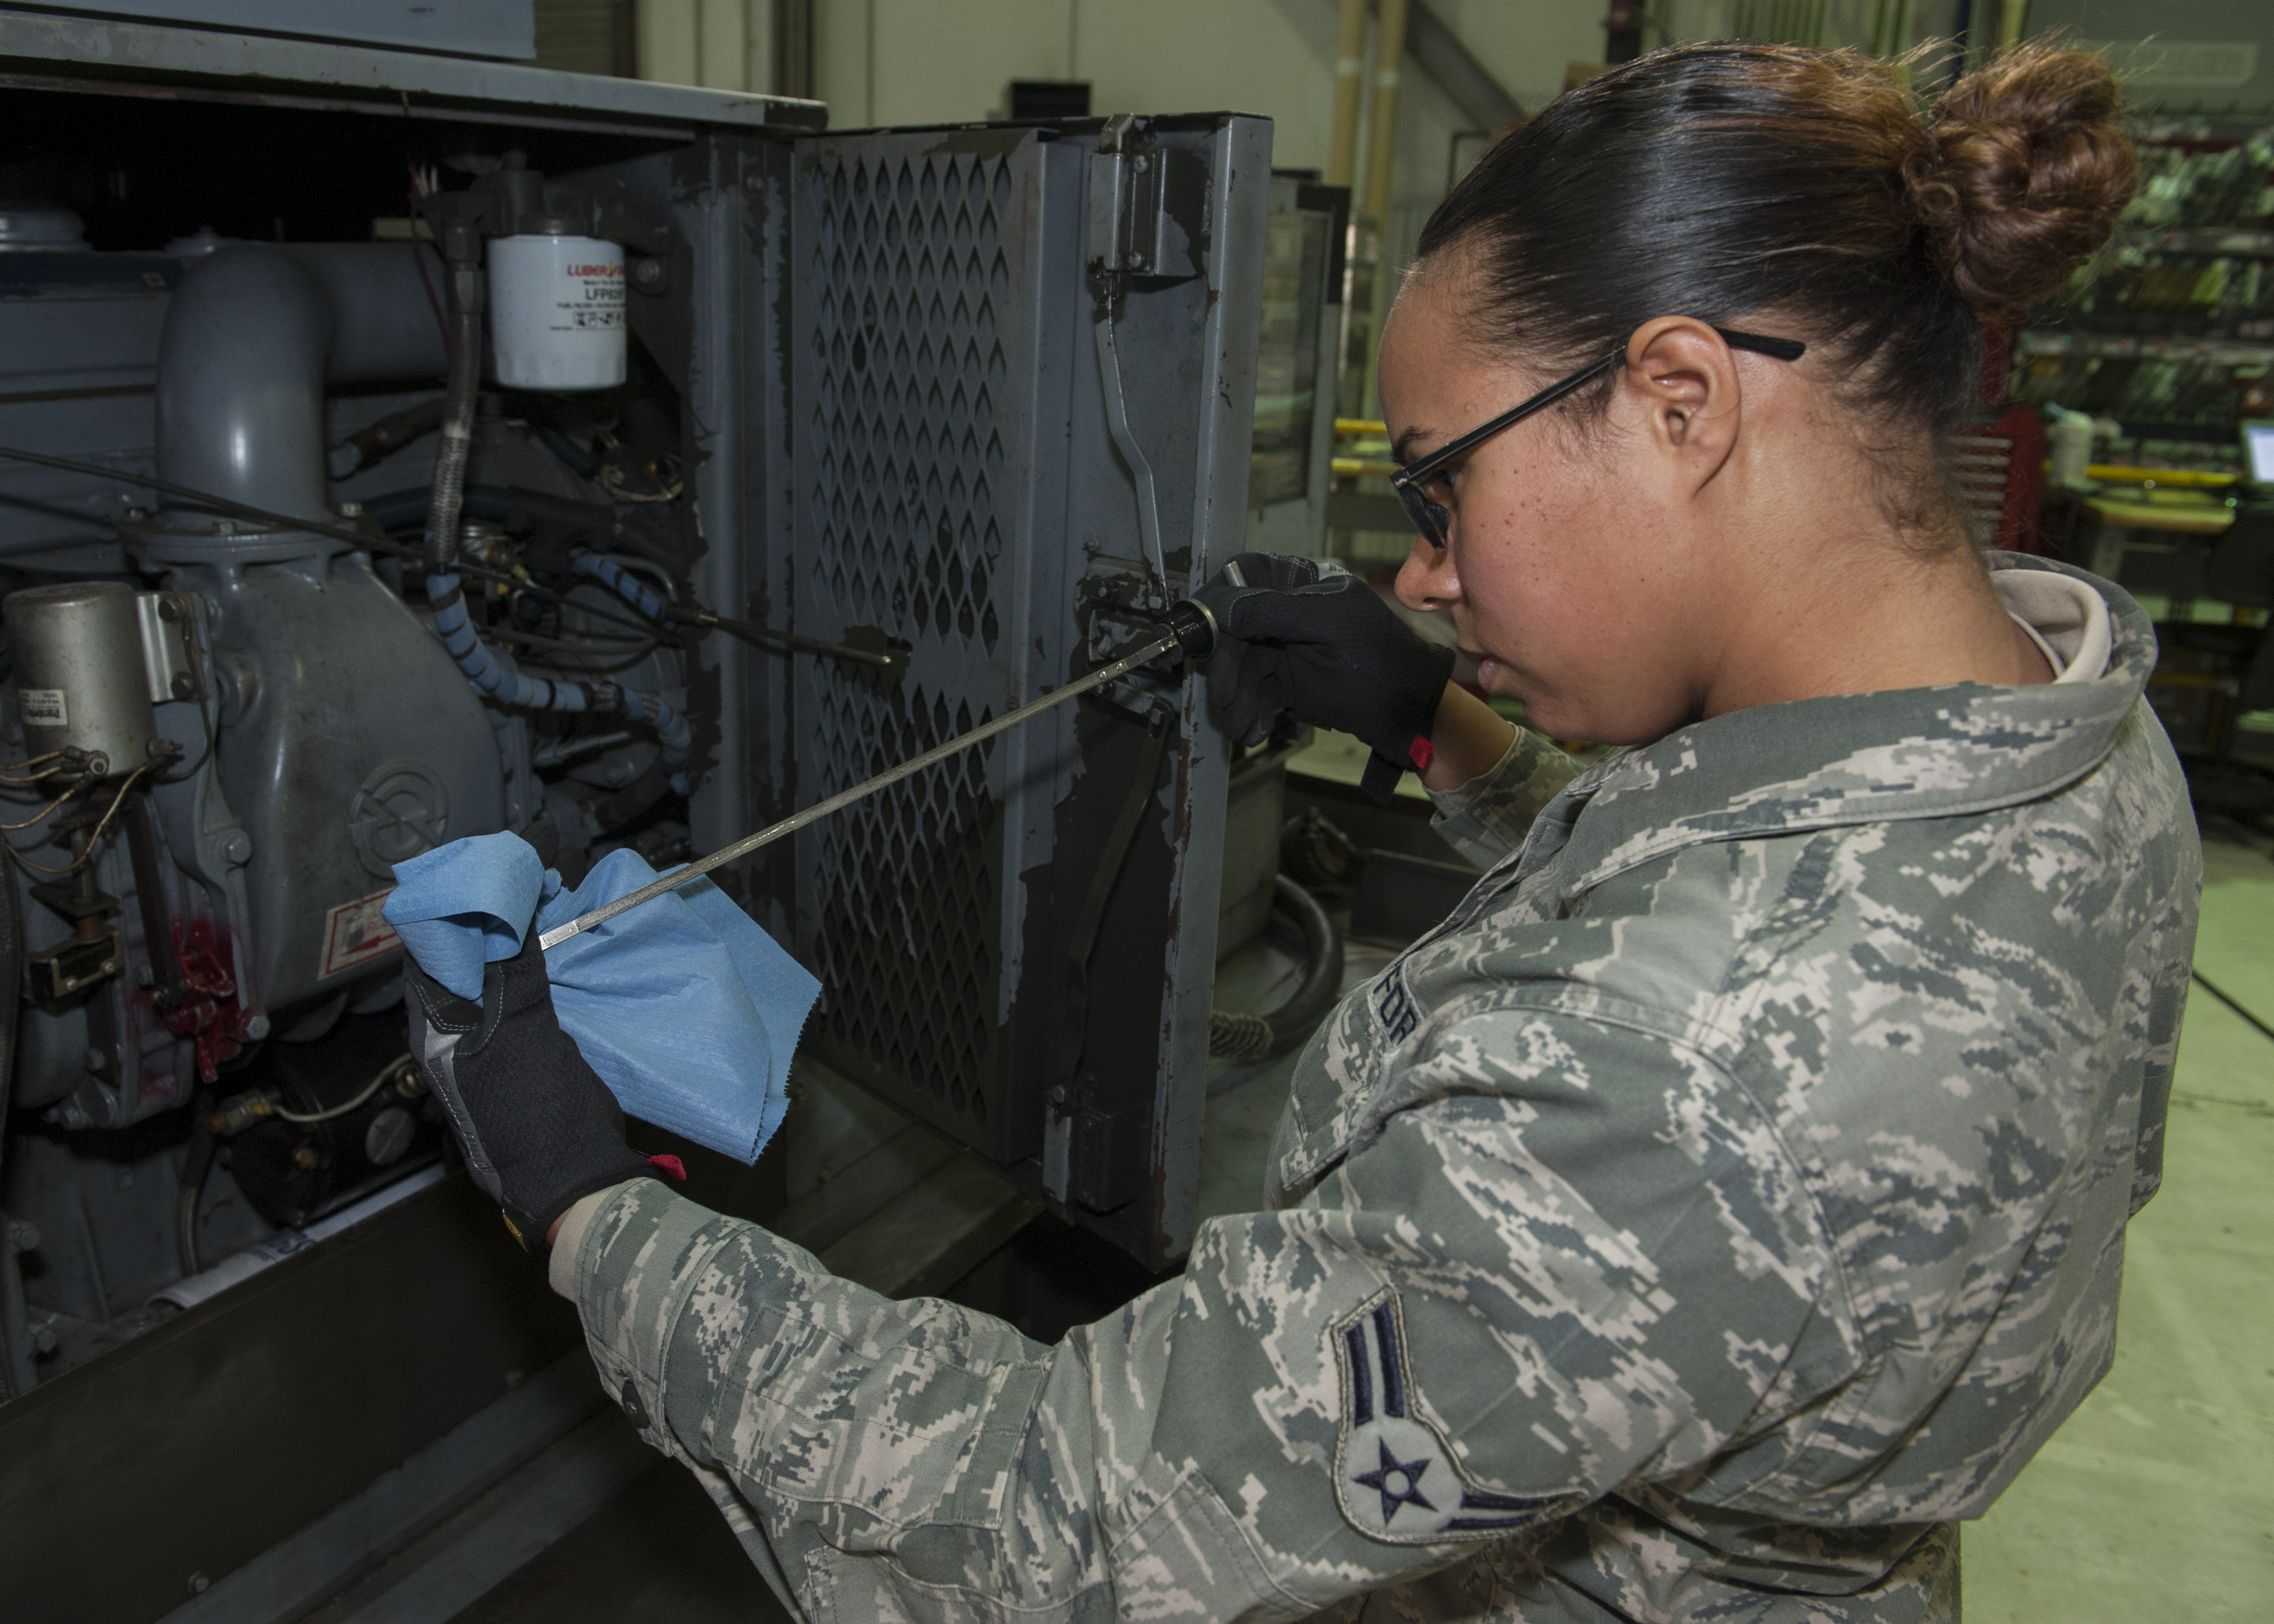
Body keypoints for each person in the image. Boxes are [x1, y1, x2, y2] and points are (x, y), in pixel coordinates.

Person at [405, 40, 2197, 1622]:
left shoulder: (1685, 1075)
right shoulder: (2065, 725)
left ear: (1678, 401)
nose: (1421, 565)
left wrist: (589, 1218)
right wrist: (1444, 722)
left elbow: (1057, 1519)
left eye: (1441, 484)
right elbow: (1745, 897)